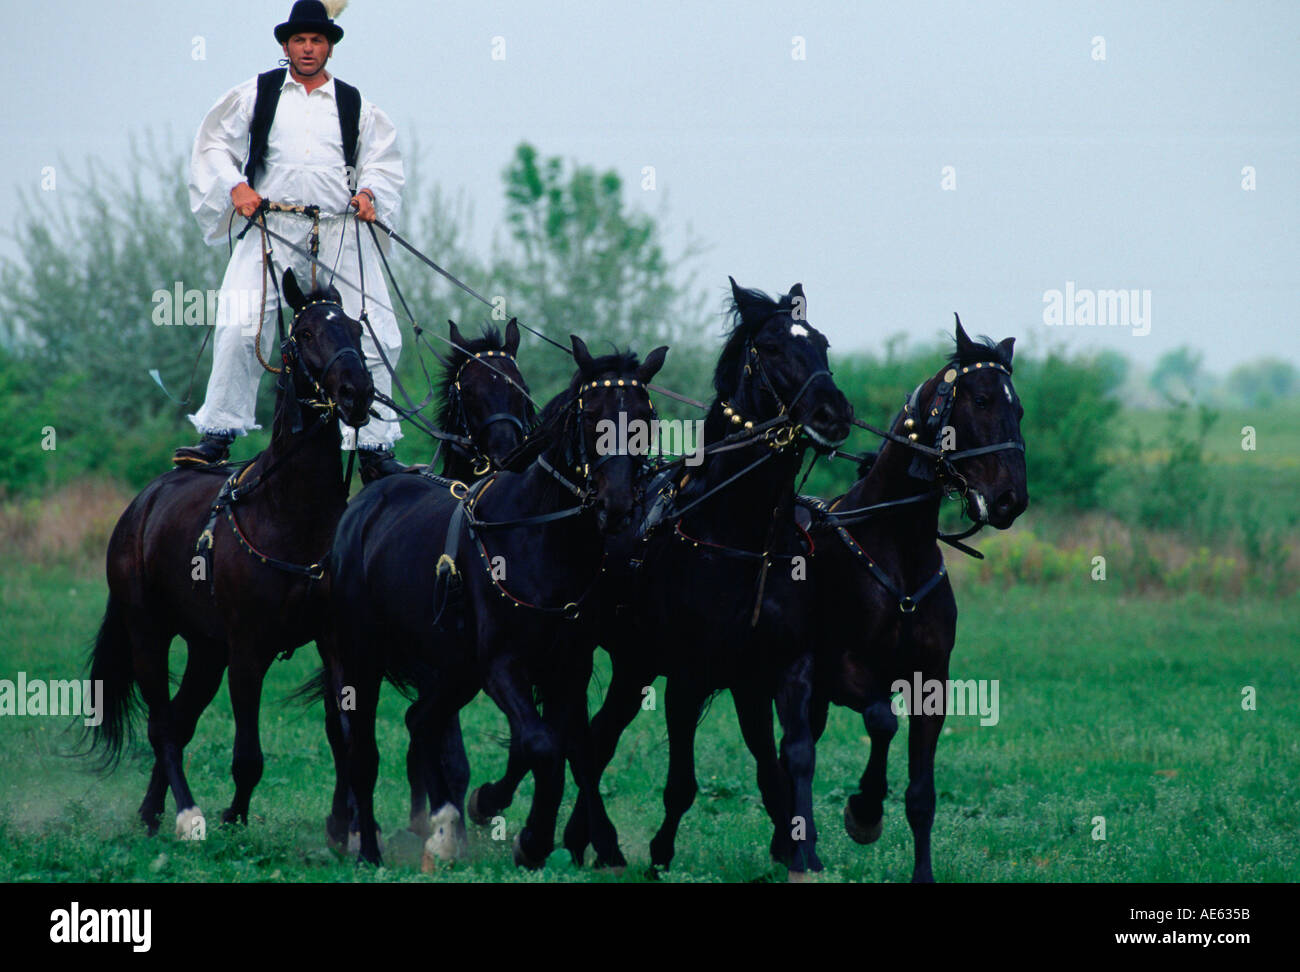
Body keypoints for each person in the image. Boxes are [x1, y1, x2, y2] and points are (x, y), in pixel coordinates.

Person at [176, 0, 408, 481]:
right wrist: (234, 186)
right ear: (286, 45)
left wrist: (370, 192)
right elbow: (214, 146)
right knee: (241, 325)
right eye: (300, 40)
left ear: (329, 46)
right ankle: (219, 432)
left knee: (380, 332)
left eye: (317, 40)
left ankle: (373, 447)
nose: (308, 48)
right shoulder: (256, 95)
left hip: (342, 230)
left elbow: (384, 164)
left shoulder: (354, 104)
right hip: (272, 229)